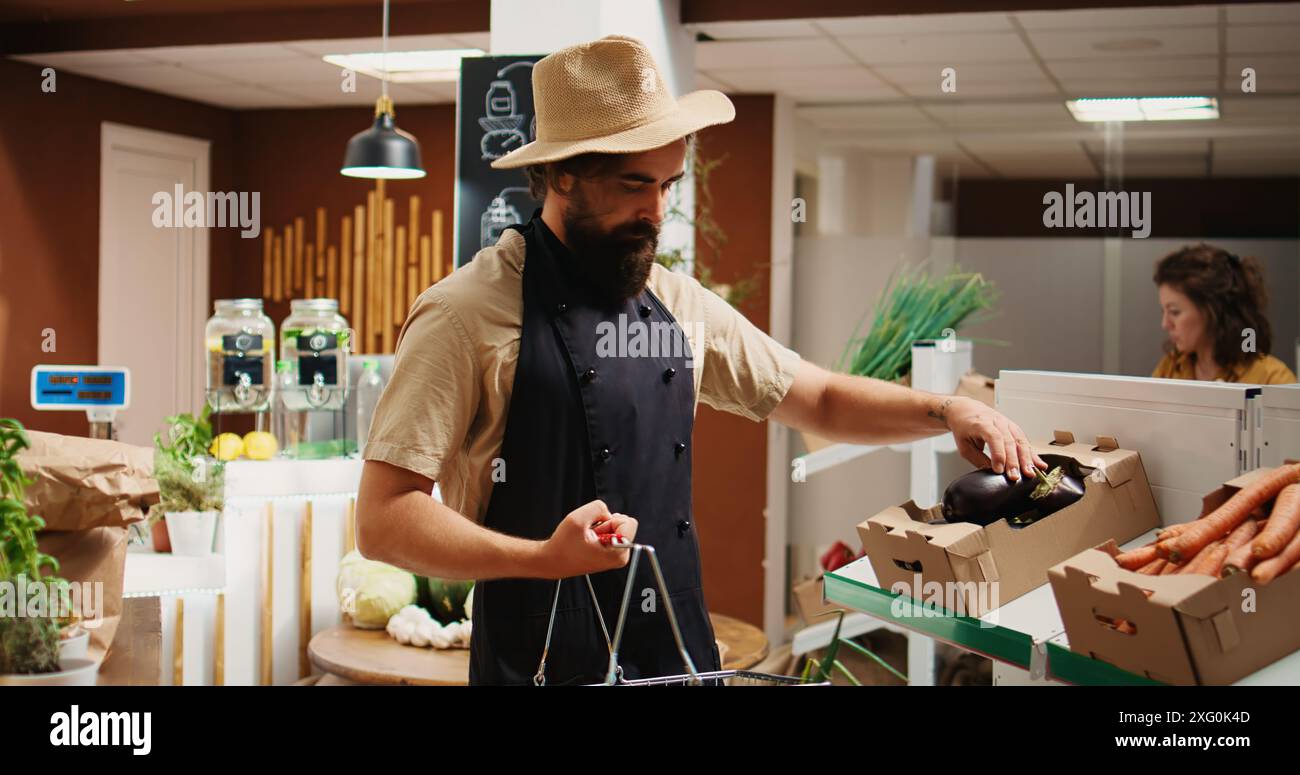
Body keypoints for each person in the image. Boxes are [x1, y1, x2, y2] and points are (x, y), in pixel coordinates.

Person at [355, 35, 1048, 685]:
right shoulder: (464, 313)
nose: (657, 211)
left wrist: (947, 410)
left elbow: (820, 399)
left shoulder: (677, 303)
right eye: (634, 185)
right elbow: (384, 517)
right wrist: (541, 558)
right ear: (561, 175)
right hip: (536, 659)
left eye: (669, 184)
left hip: (676, 651)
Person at [1153, 244, 1296, 384]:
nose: (1165, 324)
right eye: (1163, 311)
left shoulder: (1271, 378)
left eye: (1174, 312)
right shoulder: (1169, 369)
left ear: (1212, 310)